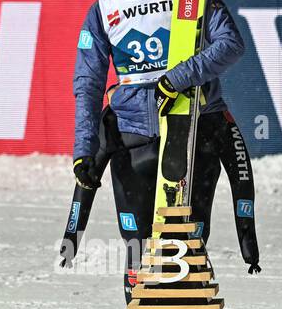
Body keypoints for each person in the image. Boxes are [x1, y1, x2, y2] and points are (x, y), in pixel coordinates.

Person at [70, 0, 249, 301]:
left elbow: (230, 44)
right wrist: (84, 148)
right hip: (133, 138)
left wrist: (176, 78)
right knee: (136, 249)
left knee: (188, 243)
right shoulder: (103, 7)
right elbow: (87, 83)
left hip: (193, 134)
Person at [59, 104, 262, 288]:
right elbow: (242, 176)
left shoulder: (118, 105)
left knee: (138, 250)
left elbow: (86, 181)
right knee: (188, 249)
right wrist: (248, 245)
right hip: (191, 155)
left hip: (136, 157)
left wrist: (71, 238)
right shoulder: (211, 101)